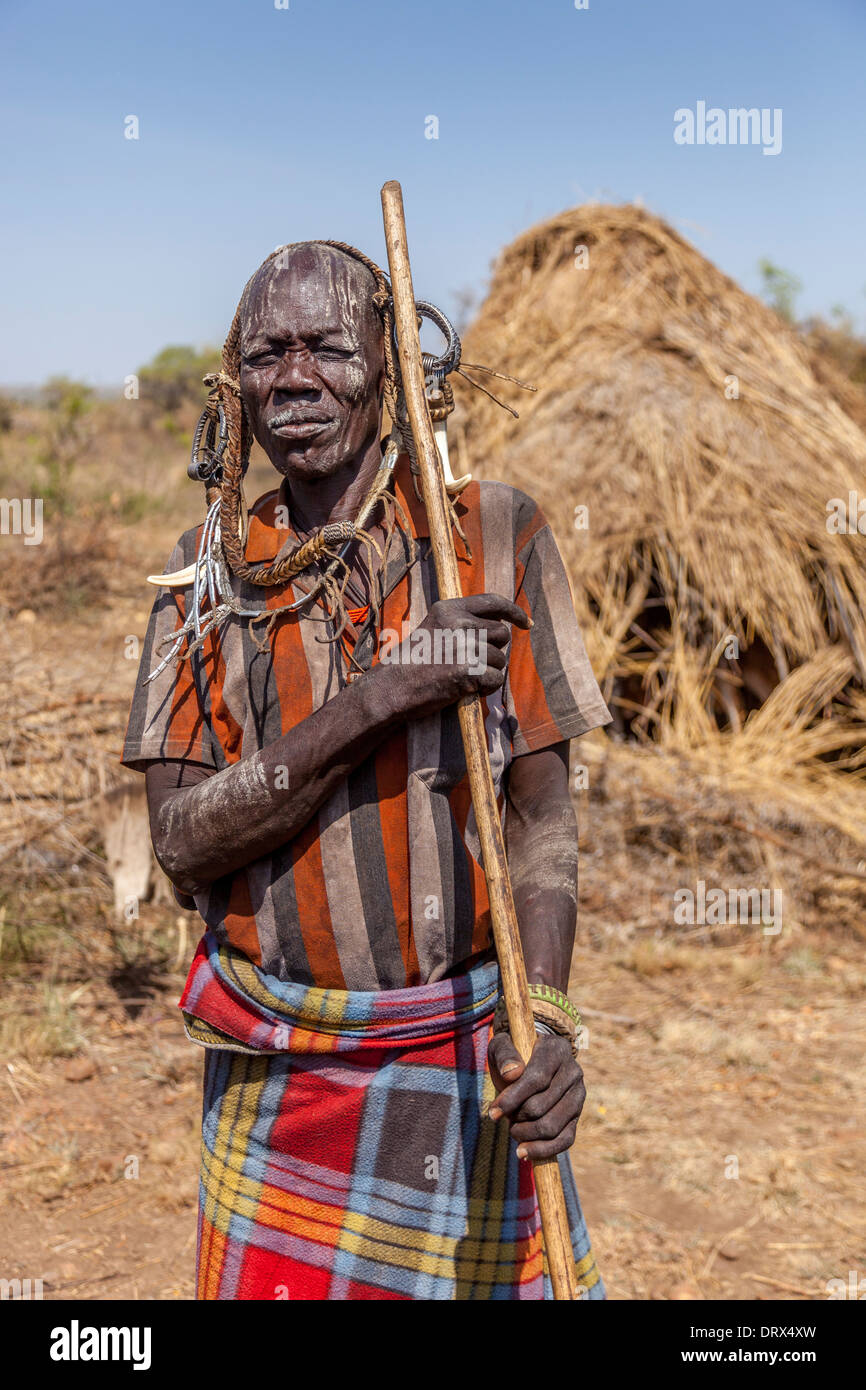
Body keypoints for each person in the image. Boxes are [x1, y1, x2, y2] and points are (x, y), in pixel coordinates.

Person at [122, 240, 611, 1300]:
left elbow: (541, 814)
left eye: (327, 347)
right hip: (279, 1070)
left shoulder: (490, 536)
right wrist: (385, 694)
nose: (293, 377)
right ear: (231, 386)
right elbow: (180, 844)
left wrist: (553, 1024)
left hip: (469, 1053)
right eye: (265, 354)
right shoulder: (199, 588)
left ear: (388, 364)